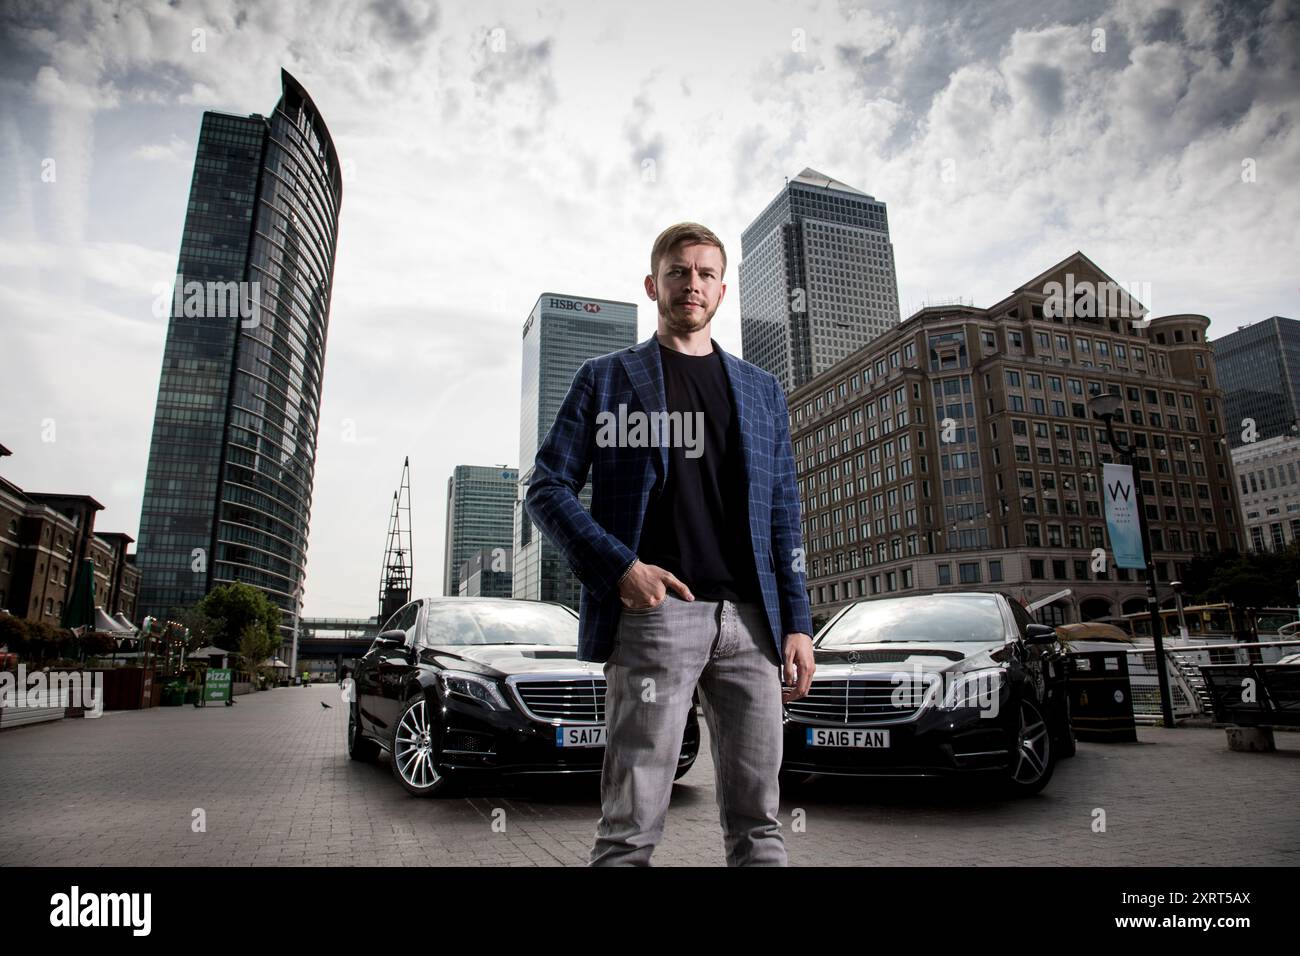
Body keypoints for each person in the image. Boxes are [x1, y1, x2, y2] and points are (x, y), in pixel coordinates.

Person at [524, 222, 815, 866]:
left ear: (722, 289)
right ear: (654, 283)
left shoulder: (761, 390)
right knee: (630, 828)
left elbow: (783, 516)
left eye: (706, 273)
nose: (693, 284)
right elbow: (546, 488)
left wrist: (797, 621)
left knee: (759, 823)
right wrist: (621, 567)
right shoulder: (606, 379)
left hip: (753, 625)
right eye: (679, 271)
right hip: (657, 618)